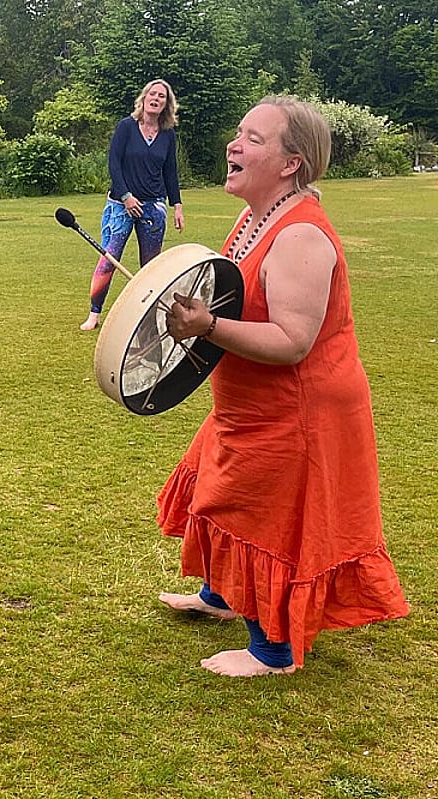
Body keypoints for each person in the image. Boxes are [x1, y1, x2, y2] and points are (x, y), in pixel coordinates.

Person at [159, 97, 409, 677]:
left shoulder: (300, 236)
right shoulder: (256, 215)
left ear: (290, 162)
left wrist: (209, 325)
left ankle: (274, 651)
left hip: (299, 411)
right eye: (238, 132)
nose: (234, 144)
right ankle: (222, 597)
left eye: (252, 137)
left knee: (255, 511)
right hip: (250, 403)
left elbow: (294, 339)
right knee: (215, 487)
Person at [80, 79, 185, 331]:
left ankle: (149, 317)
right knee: (109, 258)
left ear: (166, 104)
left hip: (153, 207)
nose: (156, 98)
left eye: (162, 96)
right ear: (144, 97)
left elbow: (170, 171)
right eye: (153, 93)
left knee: (150, 266)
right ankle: (94, 314)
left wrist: (177, 204)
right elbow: (114, 164)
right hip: (120, 205)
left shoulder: (168, 135)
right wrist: (126, 196)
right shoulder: (126, 127)